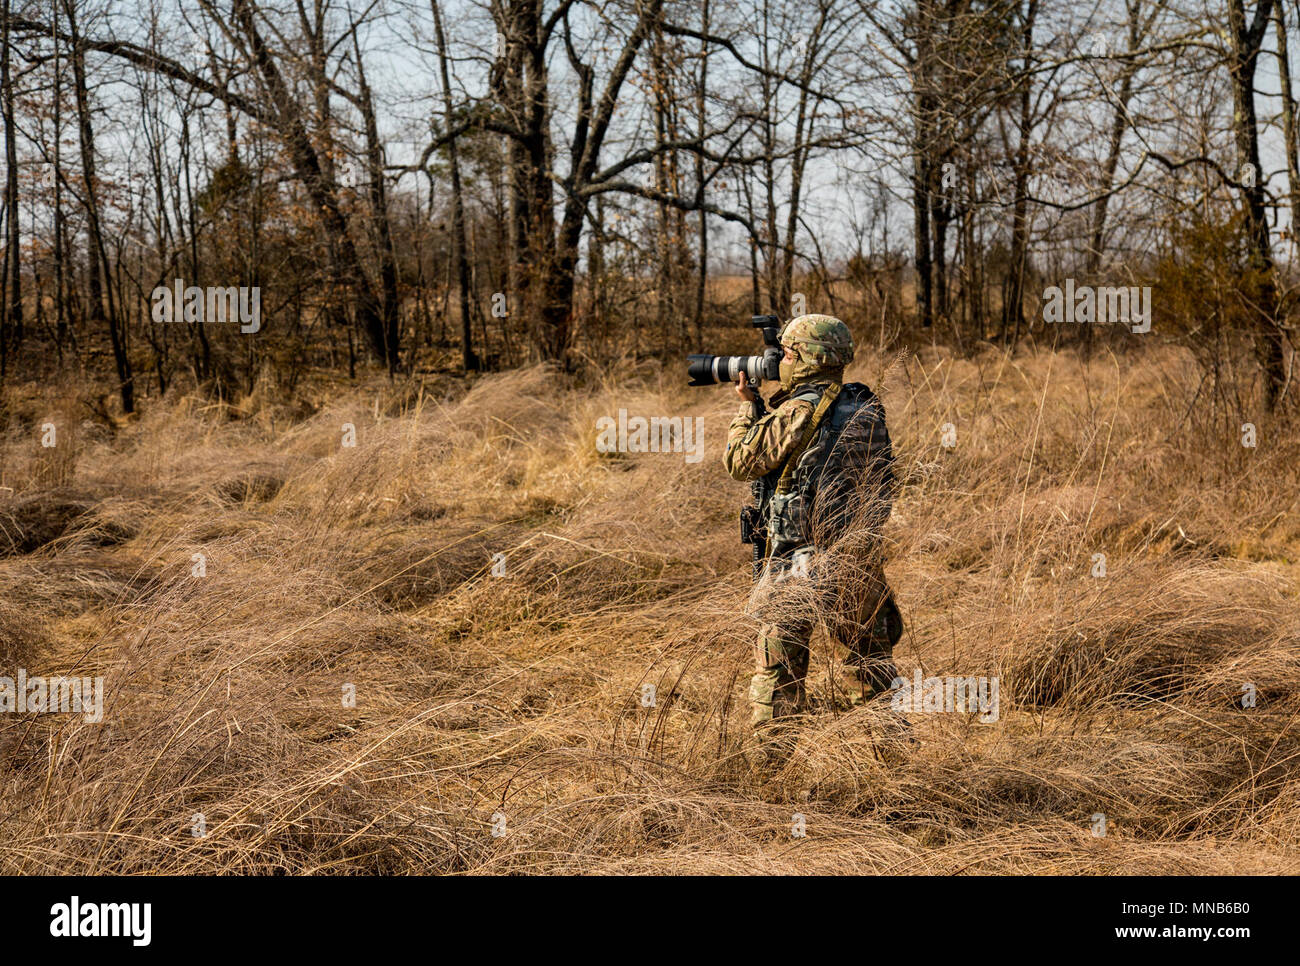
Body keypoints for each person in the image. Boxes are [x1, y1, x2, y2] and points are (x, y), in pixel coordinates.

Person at [723, 314, 903, 736]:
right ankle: (888, 761)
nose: (781, 360)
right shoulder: (865, 406)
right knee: (871, 668)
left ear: (805, 359)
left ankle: (772, 769)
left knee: (778, 678)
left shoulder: (798, 411)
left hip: (796, 565)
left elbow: (739, 461)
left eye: (787, 353)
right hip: (855, 559)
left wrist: (747, 410)